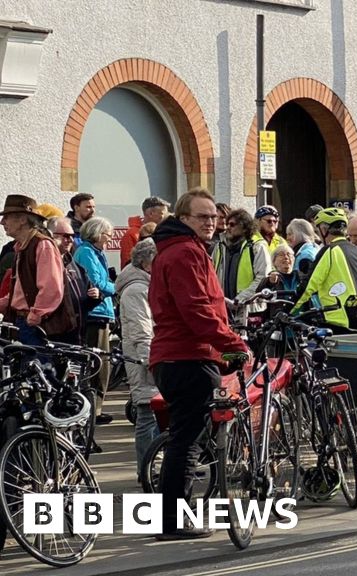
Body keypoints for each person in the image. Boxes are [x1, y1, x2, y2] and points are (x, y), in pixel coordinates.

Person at [149, 188, 248, 540]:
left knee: (185, 437)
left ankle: (171, 515)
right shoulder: (185, 253)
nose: (211, 222)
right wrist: (236, 345)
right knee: (186, 441)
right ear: (184, 219)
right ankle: (173, 522)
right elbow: (196, 311)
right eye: (202, 216)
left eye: (213, 216)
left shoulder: (181, 251)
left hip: (179, 355)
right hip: (188, 356)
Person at [115, 238, 160, 482]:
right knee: (146, 413)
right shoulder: (136, 289)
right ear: (146, 263)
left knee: (154, 414)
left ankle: (154, 466)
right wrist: (150, 359)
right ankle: (145, 471)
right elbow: (141, 330)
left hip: (147, 354)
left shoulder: (144, 284)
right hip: (143, 358)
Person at [0, 195, 70, 346]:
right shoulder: (23, 247)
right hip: (23, 322)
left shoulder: (42, 245)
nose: (2, 222)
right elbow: (21, 289)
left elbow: (51, 288)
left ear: (23, 219)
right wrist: (5, 302)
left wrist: (36, 314)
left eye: (7, 217)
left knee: (38, 366)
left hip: (35, 325)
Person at [293, 208, 357, 330]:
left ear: (324, 230)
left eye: (318, 230)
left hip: (341, 320)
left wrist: (288, 309)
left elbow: (309, 286)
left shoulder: (329, 251)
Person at [74, 217, 117, 424]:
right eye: (107, 234)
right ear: (98, 234)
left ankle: (96, 409)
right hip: (95, 314)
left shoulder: (95, 252)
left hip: (102, 311)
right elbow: (98, 282)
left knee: (102, 364)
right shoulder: (87, 252)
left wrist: (107, 286)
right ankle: (93, 411)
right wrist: (115, 287)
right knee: (99, 365)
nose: (109, 239)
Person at [217, 209, 270, 323]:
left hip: (250, 308)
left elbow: (262, 277)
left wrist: (240, 299)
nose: (228, 228)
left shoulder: (257, 246)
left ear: (245, 226)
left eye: (232, 224)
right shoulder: (220, 246)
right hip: (223, 307)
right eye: (227, 224)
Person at [46, 217, 90, 345]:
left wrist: (95, 296)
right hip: (56, 337)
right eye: (65, 236)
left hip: (77, 335)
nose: (70, 240)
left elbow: (84, 295)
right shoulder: (45, 263)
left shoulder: (73, 264)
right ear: (51, 236)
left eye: (72, 235)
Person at [120, 196, 170, 268]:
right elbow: (127, 264)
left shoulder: (165, 232)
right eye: (162, 214)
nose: (166, 217)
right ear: (151, 214)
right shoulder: (132, 234)